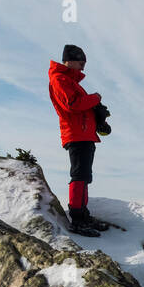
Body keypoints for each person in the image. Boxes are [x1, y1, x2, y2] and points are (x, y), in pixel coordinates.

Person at [48, 44, 105, 236]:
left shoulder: (70, 81)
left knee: (84, 176)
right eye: (81, 62)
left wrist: (98, 116)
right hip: (76, 134)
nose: (83, 67)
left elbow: (79, 105)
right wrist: (95, 98)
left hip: (84, 134)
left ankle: (83, 215)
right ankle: (77, 220)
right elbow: (73, 105)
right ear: (70, 60)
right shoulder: (59, 79)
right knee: (79, 175)